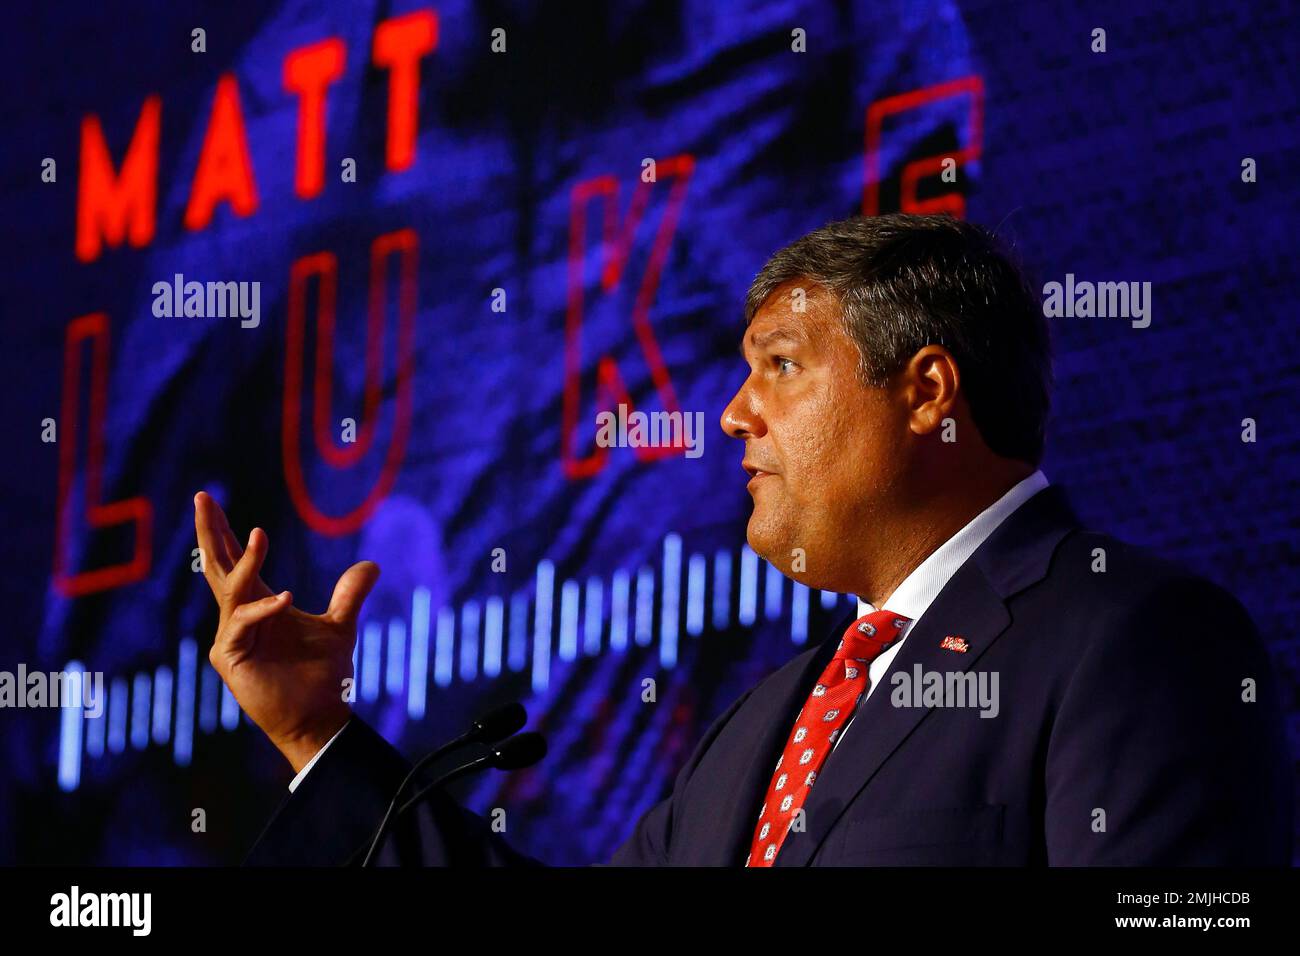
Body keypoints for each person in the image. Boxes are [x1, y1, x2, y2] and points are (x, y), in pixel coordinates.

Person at [195, 213, 1292, 866]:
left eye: (779, 364)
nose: (731, 412)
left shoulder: (1135, 637)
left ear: (926, 392)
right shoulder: (772, 714)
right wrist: (318, 735)